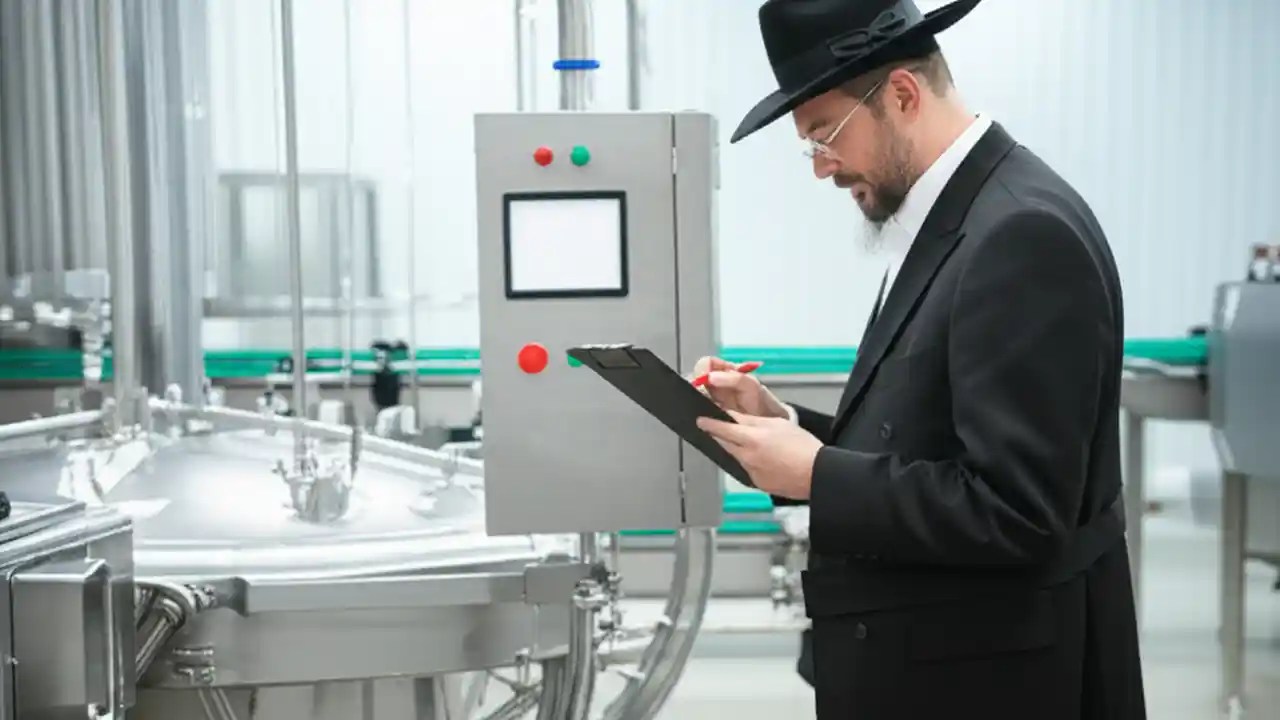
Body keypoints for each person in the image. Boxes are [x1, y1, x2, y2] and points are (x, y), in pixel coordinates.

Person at [691, 1, 1147, 718]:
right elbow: (927, 435)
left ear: (902, 94)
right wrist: (789, 426)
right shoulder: (962, 217)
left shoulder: (1020, 234)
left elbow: (1018, 512)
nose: (821, 167)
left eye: (825, 135)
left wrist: (814, 473)